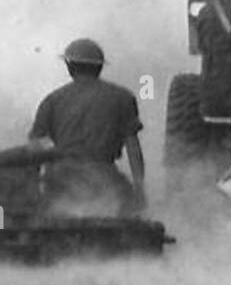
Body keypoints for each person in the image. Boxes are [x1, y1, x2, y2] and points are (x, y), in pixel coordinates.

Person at [29, 38, 146, 214]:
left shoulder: (52, 100)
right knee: (132, 217)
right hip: (104, 177)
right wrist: (139, 189)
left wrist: (35, 190)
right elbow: (133, 147)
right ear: (99, 67)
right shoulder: (122, 98)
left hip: (61, 179)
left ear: (69, 66)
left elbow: (35, 148)